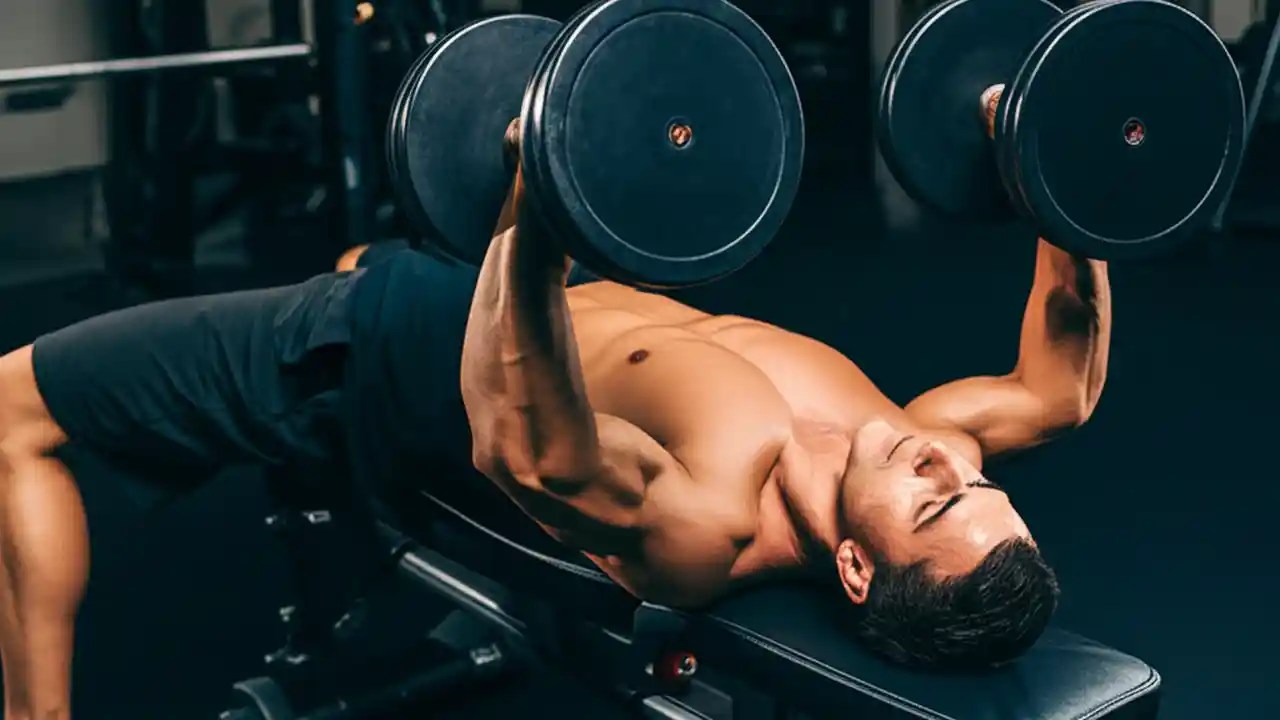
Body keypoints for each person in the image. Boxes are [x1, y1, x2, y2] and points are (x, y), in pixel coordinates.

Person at [0, 170, 1107, 719]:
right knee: (359, 250)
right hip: (524, 289)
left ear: (855, 568)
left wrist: (534, 198)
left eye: (933, 501)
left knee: (12, 412)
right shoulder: (912, 446)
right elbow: (1057, 389)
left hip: (381, 350)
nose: (940, 461)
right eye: (973, 479)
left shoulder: (707, 523)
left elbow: (519, 445)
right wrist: (1063, 171)